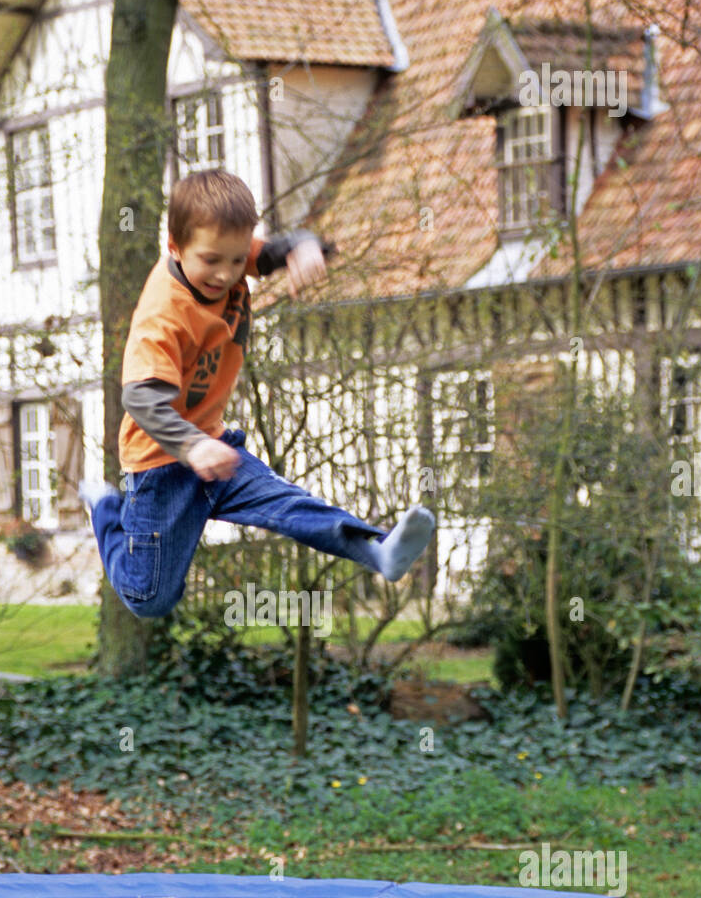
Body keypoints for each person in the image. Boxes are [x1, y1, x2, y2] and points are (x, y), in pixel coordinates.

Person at [79, 169, 435, 617]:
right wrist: (192, 447)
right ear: (174, 245)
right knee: (150, 599)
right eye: (212, 261)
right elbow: (143, 399)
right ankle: (106, 507)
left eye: (235, 259)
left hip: (218, 450)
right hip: (160, 467)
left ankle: (380, 551)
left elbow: (272, 251)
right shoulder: (162, 315)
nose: (227, 274)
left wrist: (305, 246)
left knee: (289, 507)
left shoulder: (218, 252)